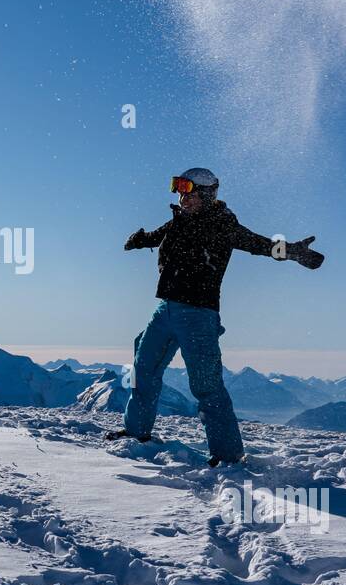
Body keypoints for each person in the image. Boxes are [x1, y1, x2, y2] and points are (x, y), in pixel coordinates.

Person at [109, 167, 324, 466]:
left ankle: (227, 456)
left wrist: (292, 251)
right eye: (178, 189)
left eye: (187, 190)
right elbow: (159, 235)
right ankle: (136, 433)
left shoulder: (222, 224)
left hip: (199, 314)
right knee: (143, 367)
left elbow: (258, 243)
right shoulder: (179, 220)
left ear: (206, 194)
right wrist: (141, 239)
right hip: (166, 309)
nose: (181, 196)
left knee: (206, 385)